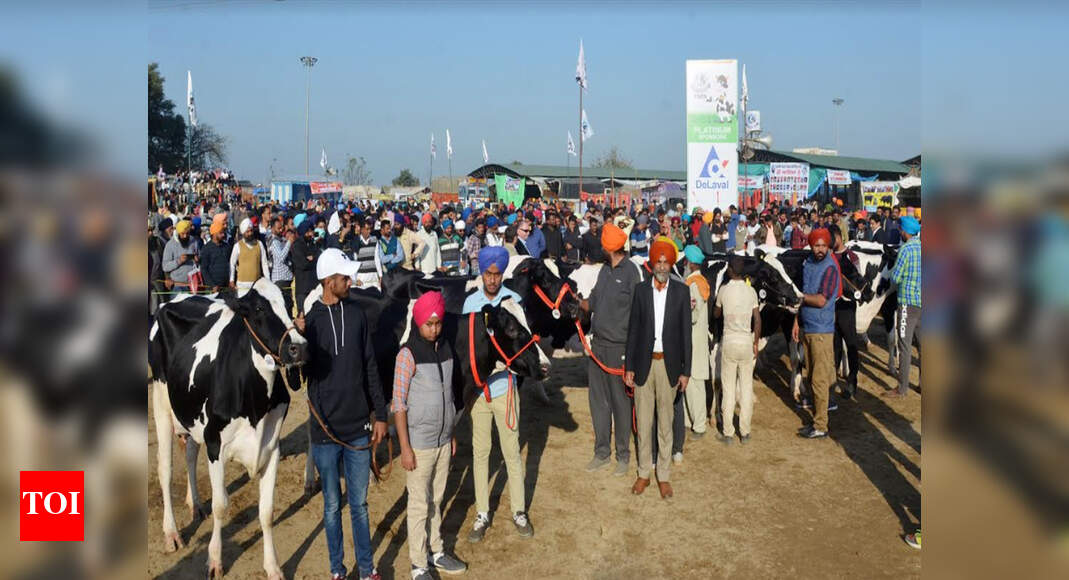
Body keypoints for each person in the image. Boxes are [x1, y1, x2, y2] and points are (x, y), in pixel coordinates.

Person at [296, 248, 388, 580]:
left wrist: (380, 414)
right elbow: (296, 381)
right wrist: (297, 341)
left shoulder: (358, 314)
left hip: (359, 427)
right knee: (333, 507)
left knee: (360, 506)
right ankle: (337, 570)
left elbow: (370, 367)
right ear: (328, 280)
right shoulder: (311, 323)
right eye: (344, 277)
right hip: (325, 432)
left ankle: (367, 569)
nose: (350, 281)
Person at [391, 292, 468, 579]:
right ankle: (418, 564)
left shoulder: (446, 349)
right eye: (429, 323)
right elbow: (398, 403)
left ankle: (436, 551)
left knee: (437, 499)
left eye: (438, 323)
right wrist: (405, 447)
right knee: (419, 504)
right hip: (419, 444)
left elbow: (449, 395)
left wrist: (451, 433)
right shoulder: (406, 355)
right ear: (418, 322)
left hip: (443, 441)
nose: (434, 329)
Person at [464, 246, 534, 542]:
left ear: (502, 274)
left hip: (505, 388)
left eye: (497, 274)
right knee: (480, 453)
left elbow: (521, 347)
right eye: (488, 274)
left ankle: (518, 510)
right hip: (480, 393)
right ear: (481, 273)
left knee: (511, 451)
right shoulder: (470, 303)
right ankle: (482, 513)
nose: (492, 279)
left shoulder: (513, 301)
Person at [624, 237, 691, 499]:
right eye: (658, 261)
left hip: (669, 366)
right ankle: (643, 473)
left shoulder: (681, 292)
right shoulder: (641, 291)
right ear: (652, 264)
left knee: (666, 422)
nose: (662, 266)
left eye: (666, 261)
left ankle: (663, 475)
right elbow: (633, 332)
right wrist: (629, 366)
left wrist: (686, 371)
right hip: (643, 363)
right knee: (643, 421)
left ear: (671, 263)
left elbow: (686, 334)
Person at [582, 222, 643, 477]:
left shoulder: (631, 273)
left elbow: (639, 316)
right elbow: (592, 302)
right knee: (598, 403)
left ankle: (623, 456)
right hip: (598, 347)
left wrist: (632, 356)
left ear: (609, 248)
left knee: (620, 404)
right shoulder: (604, 271)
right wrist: (573, 303)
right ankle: (601, 452)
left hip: (620, 349)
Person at [793, 229, 841, 439]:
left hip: (821, 330)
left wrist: (799, 296)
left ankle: (821, 425)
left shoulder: (830, 268)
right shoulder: (808, 263)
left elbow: (821, 300)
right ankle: (817, 418)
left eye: (823, 245)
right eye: (816, 245)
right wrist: (797, 321)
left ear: (828, 246)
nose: (820, 249)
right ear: (811, 245)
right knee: (811, 374)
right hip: (807, 327)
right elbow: (805, 292)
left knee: (820, 379)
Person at [714, 256, 761, 444]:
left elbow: (716, 313)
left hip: (730, 341)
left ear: (730, 271)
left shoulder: (724, 290)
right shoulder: (751, 292)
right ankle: (745, 432)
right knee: (747, 387)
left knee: (729, 388)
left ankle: (727, 432)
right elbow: (757, 320)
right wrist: (755, 342)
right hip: (746, 342)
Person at [884, 216, 922, 399]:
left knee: (905, 345)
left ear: (905, 231)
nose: (900, 232)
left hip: (908, 302)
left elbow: (896, 278)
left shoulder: (906, 250)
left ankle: (902, 388)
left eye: (900, 229)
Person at [681, 245, 710, 440]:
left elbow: (692, 314)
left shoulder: (693, 285)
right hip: (695, 339)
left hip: (693, 340)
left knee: (694, 385)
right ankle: (688, 421)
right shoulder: (700, 282)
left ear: (689, 264)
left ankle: (699, 425)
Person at [829, 225, 861, 398]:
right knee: (834, 345)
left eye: (831, 239)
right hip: (832, 306)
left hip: (847, 306)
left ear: (839, 237)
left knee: (850, 344)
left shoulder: (851, 256)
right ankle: (832, 380)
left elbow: (858, 281)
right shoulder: (829, 256)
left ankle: (852, 381)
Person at [229, 218, 271, 291]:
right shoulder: (237, 246)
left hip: (257, 284)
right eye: (247, 232)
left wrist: (268, 280)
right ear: (243, 233)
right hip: (242, 285)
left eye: (251, 231)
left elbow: (264, 264)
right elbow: (232, 263)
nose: (250, 233)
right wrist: (231, 280)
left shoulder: (259, 244)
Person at [292, 218, 321, 315]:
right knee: (302, 314)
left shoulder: (313, 244)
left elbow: (318, 259)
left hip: (314, 285)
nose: (310, 234)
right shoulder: (297, 245)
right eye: (307, 232)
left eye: (311, 231)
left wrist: (312, 259)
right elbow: (303, 264)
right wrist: (311, 260)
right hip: (303, 288)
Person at [267, 216, 295, 314]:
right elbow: (281, 257)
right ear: (272, 229)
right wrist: (289, 243)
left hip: (287, 278)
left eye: (282, 227)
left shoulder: (281, 239)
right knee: (282, 308)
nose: (281, 230)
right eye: (278, 228)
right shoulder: (274, 242)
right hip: (280, 280)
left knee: (289, 305)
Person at [162, 219, 199, 290]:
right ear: (178, 233)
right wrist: (179, 261)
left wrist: (197, 259)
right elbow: (165, 267)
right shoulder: (170, 245)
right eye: (182, 234)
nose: (185, 236)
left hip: (193, 284)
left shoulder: (194, 241)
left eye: (187, 233)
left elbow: (199, 257)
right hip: (178, 285)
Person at [200, 215, 231, 291]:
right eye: (220, 233)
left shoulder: (226, 247)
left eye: (223, 233)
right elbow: (204, 269)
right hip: (213, 288)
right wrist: (212, 285)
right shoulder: (206, 248)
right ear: (214, 234)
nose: (223, 235)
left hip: (226, 286)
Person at [351, 217, 383, 289]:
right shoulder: (356, 242)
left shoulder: (374, 240)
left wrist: (380, 275)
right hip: (361, 280)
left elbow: (377, 258)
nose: (369, 231)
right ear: (362, 230)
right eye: (367, 229)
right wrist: (355, 279)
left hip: (373, 278)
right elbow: (354, 261)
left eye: (370, 229)